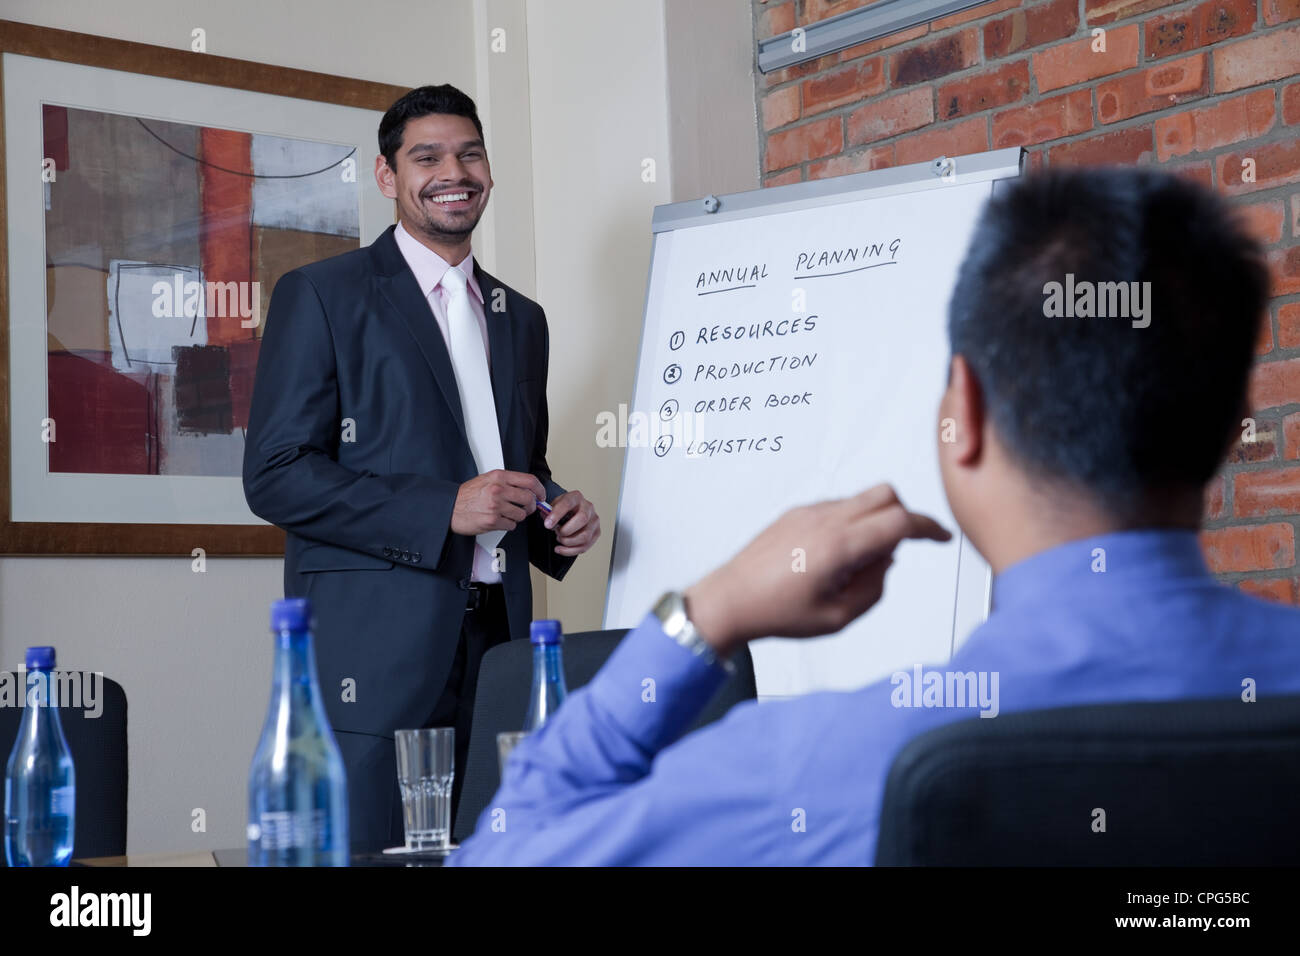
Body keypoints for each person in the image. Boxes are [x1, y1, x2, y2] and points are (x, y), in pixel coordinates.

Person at [448, 168, 1300, 866]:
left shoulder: (816, 766)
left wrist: (708, 615)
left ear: (962, 411)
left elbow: (502, 853)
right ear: (1233, 428)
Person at [243, 85, 599, 849]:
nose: (454, 171)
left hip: (500, 647)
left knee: (499, 854)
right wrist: (444, 508)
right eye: (427, 156)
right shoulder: (322, 295)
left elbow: (511, 462)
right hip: (374, 656)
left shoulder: (520, 318)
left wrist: (555, 512)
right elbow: (274, 473)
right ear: (386, 176)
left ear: (490, 172)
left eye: (470, 153)